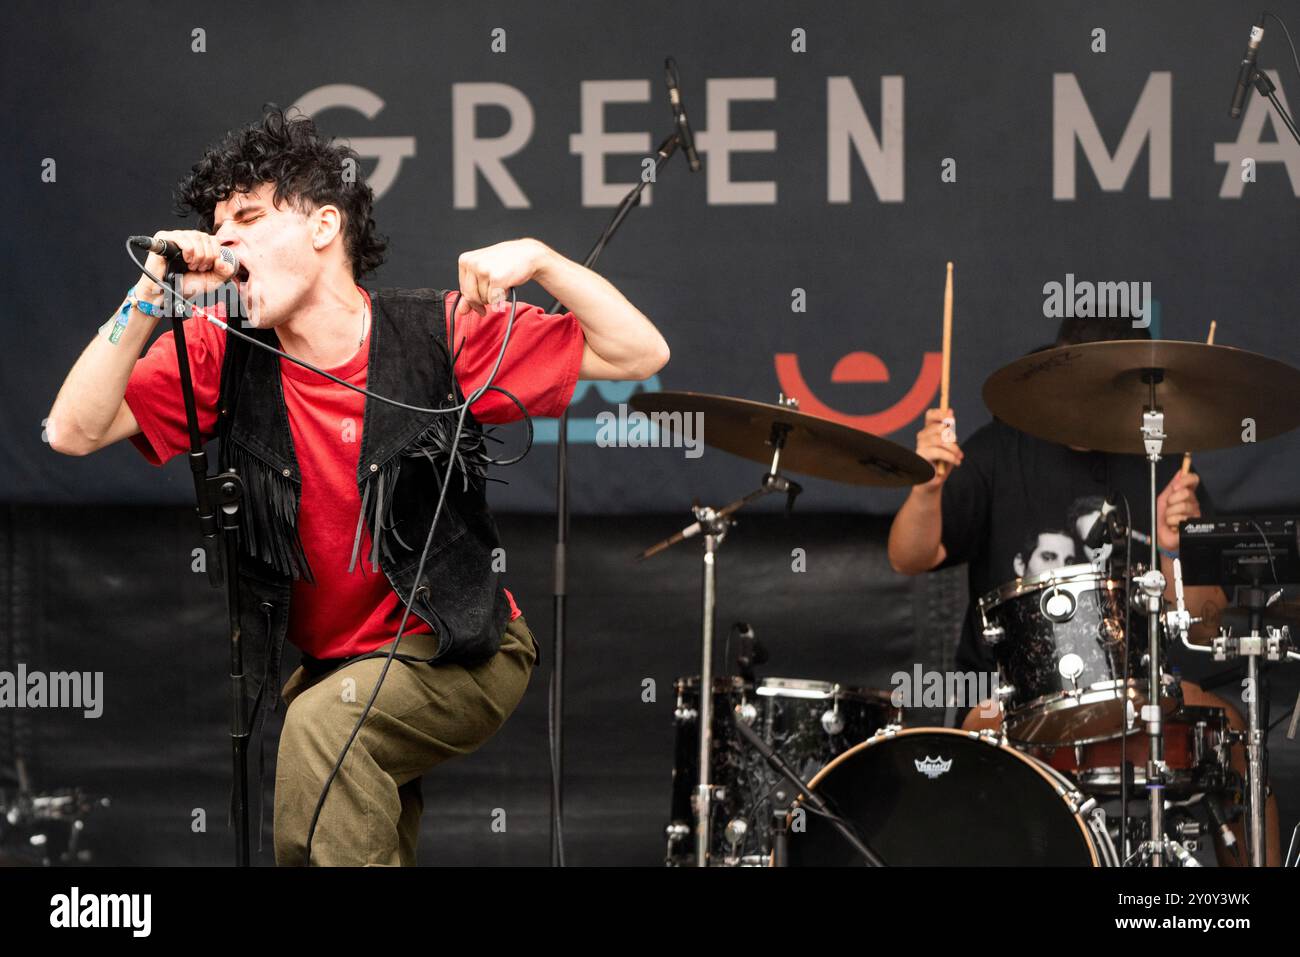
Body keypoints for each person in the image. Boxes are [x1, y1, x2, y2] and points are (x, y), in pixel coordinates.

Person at [45, 107, 670, 866]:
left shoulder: (439, 333)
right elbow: (70, 431)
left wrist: (539, 258)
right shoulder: (222, 355)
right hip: (335, 671)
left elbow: (639, 350)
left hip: (462, 649)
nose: (225, 240)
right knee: (320, 810)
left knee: (319, 732)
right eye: (219, 225)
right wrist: (152, 291)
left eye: (249, 216)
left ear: (323, 226)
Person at [887, 317, 1280, 865]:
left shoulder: (1164, 465)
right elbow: (909, 556)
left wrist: (1172, 549)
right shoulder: (1001, 449)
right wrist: (927, 488)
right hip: (1015, 696)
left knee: (1235, 734)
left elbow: (1206, 621)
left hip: (1144, 692)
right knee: (975, 740)